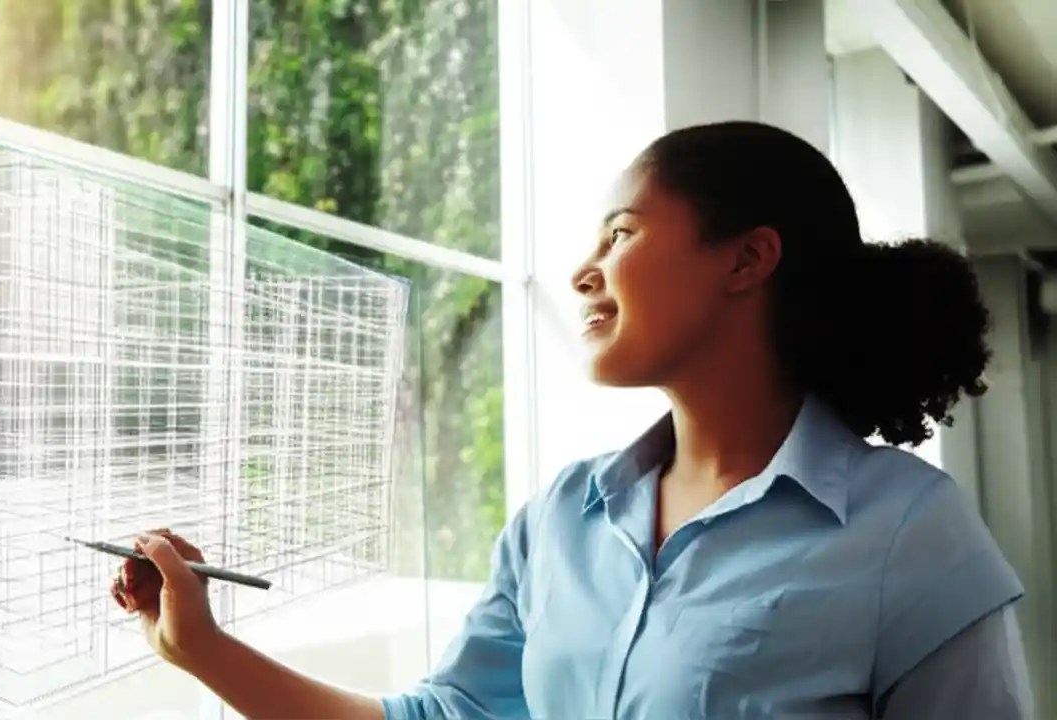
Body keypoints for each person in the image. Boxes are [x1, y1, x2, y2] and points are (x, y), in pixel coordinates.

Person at [110, 121, 1034, 719]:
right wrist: (204, 649)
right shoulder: (562, 518)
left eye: (621, 233)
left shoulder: (912, 534)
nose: (584, 270)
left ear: (748, 260)